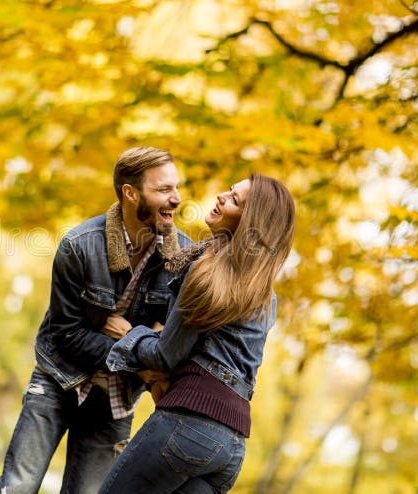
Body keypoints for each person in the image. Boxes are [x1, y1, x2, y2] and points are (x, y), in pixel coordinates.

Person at [0, 147, 192, 494]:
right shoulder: (79, 246)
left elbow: (170, 347)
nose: (176, 198)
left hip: (116, 399)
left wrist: (127, 335)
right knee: (17, 487)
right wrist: (141, 357)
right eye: (163, 189)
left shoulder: (182, 260)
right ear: (130, 193)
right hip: (58, 377)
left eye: (176, 187)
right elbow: (67, 334)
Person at [100, 173, 295, 493]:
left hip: (188, 425)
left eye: (234, 200)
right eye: (229, 190)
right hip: (231, 444)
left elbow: (165, 355)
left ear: (248, 222)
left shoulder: (207, 270)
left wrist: (128, 334)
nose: (221, 196)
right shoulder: (264, 294)